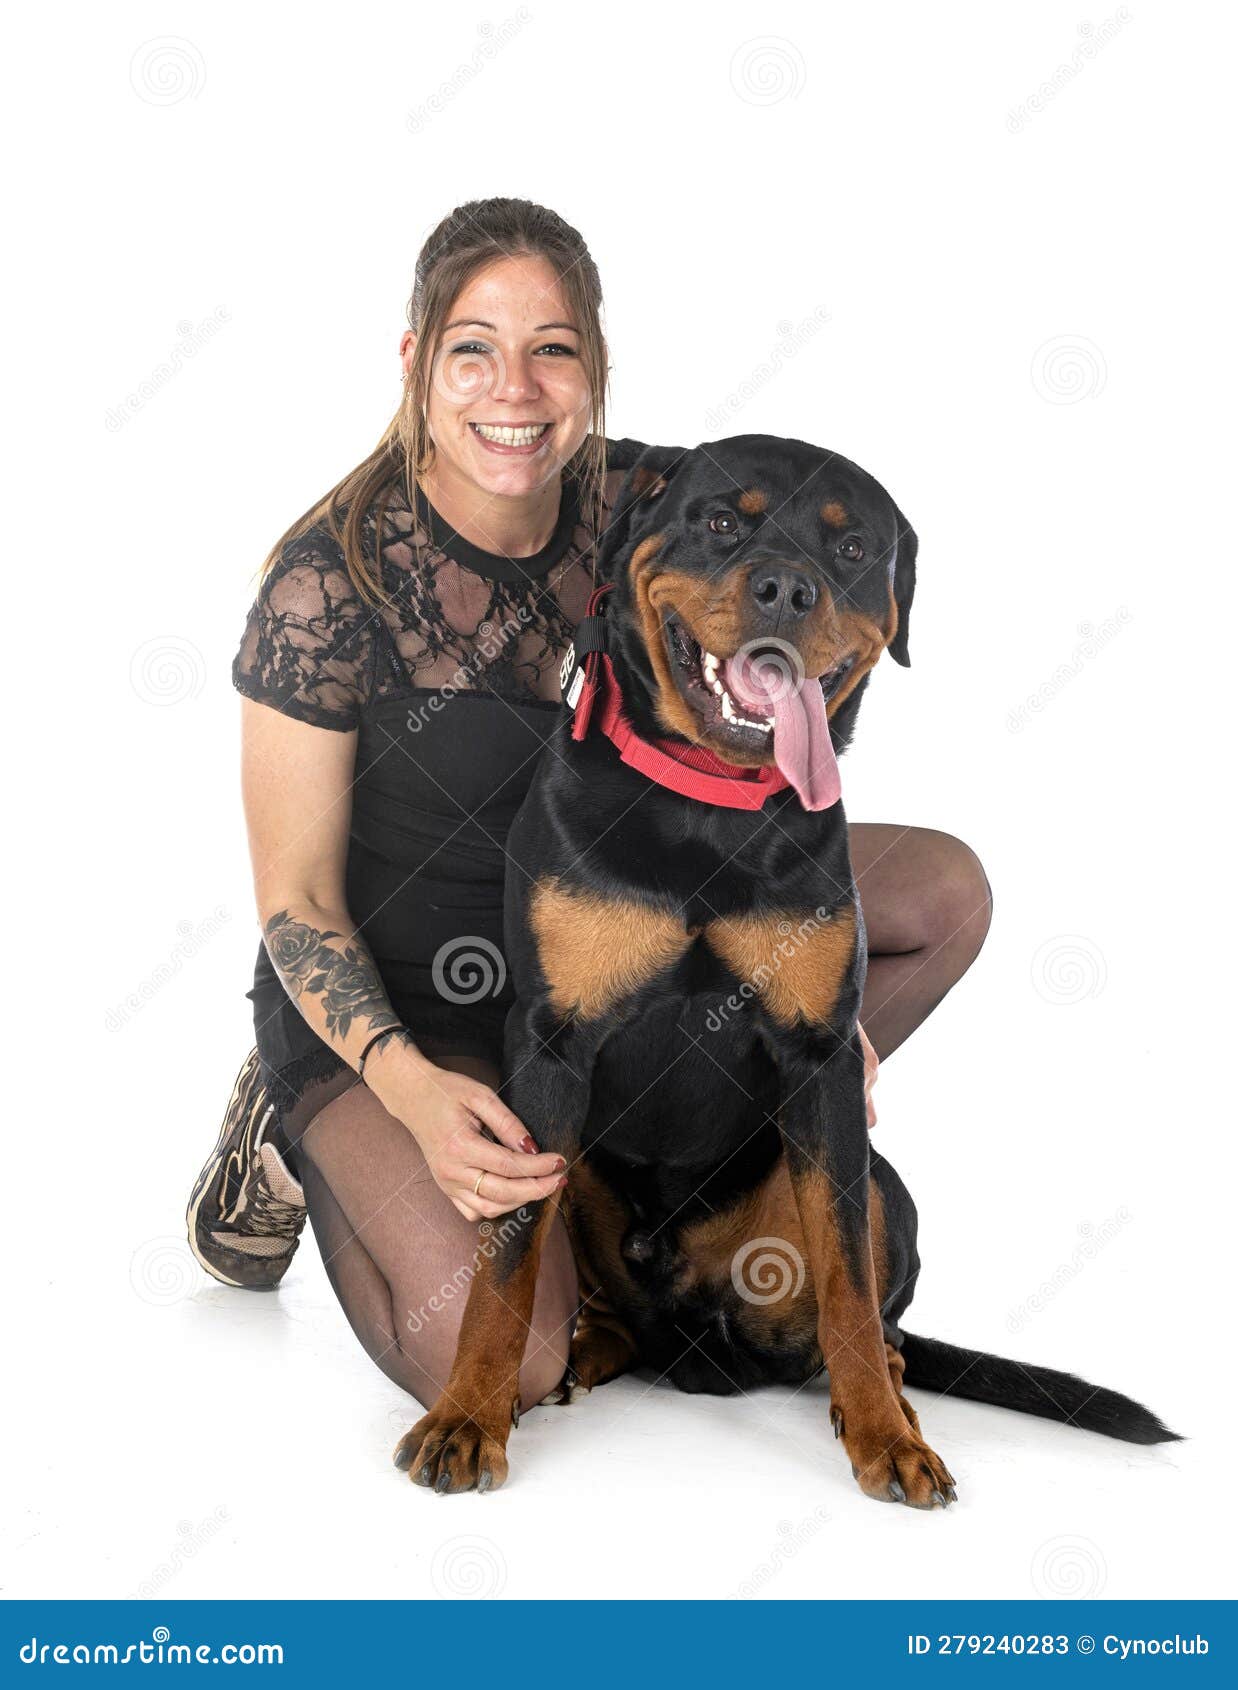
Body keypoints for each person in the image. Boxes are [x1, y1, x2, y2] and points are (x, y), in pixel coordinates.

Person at [186, 197, 993, 1413]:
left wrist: (824, 1004)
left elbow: (802, 572)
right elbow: (293, 896)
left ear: (593, 369)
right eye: (473, 348)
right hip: (416, 994)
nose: (512, 388)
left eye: (551, 347)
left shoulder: (651, 502)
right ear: (416, 364)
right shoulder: (323, 583)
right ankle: (293, 1119)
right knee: (516, 1359)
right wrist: (402, 1080)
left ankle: (720, 1100)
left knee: (936, 894)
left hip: (625, 907)